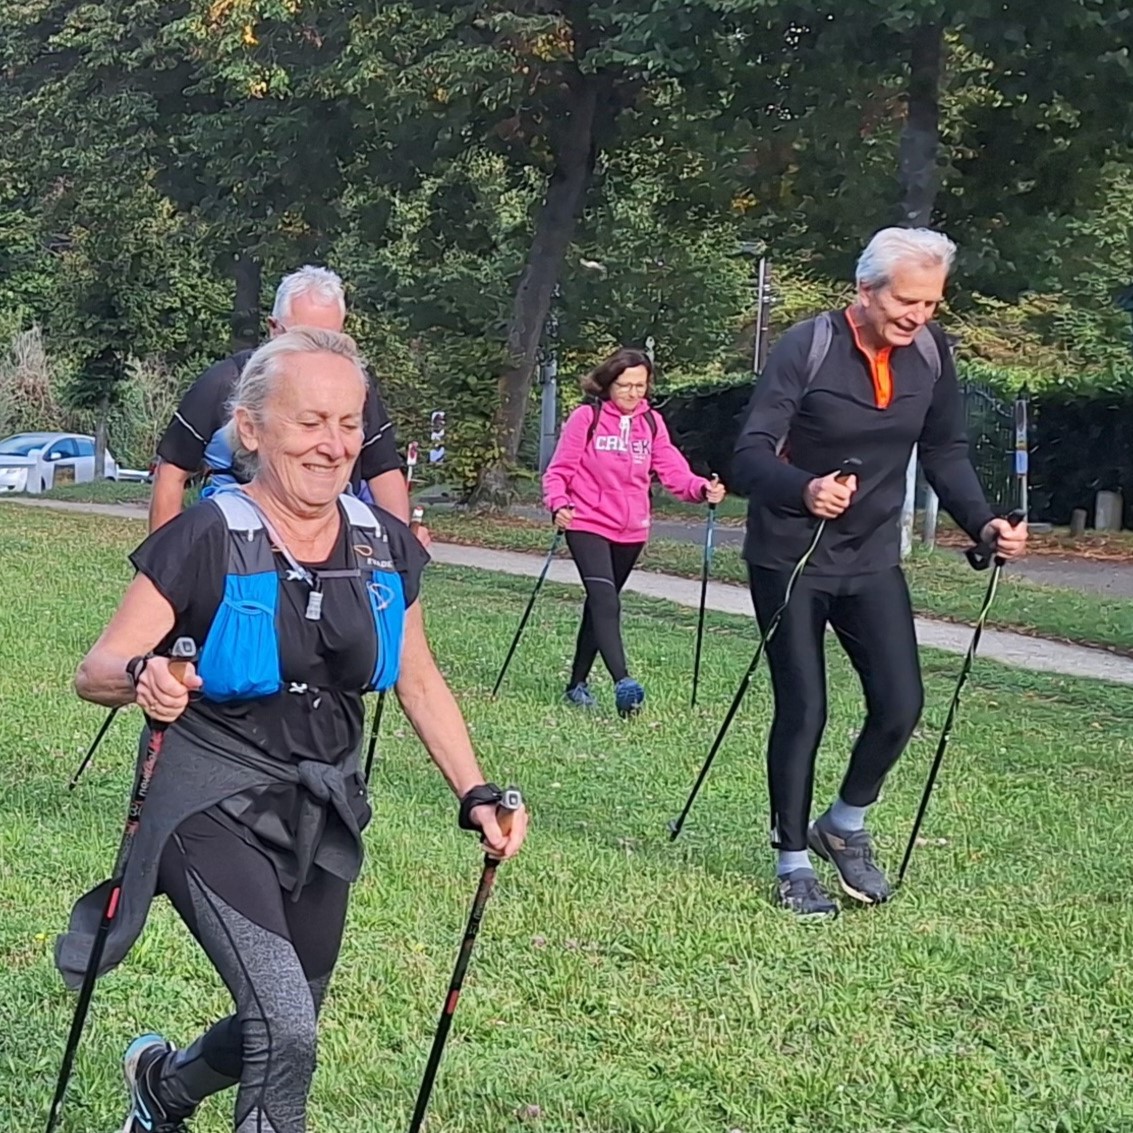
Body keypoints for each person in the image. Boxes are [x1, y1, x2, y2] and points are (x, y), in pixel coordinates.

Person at [57, 327, 527, 1132]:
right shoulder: (205, 534)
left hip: (320, 806)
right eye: (310, 421)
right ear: (253, 428)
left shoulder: (379, 543)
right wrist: (147, 677)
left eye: (348, 423)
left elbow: (416, 675)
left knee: (286, 1015)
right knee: (287, 1026)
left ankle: (163, 1090)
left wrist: (475, 791)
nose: (333, 443)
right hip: (205, 801)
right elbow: (97, 668)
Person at [731, 226, 1028, 920]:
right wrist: (803, 487)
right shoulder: (808, 347)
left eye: (930, 304)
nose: (918, 315)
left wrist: (982, 522)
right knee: (804, 706)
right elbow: (746, 454)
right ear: (864, 291)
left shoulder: (929, 353)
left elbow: (946, 450)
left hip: (869, 557)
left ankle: (842, 824)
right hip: (791, 554)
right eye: (906, 300)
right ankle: (791, 862)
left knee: (900, 704)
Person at [149, 265, 430, 547]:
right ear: (274, 328)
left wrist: (398, 556)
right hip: (235, 542)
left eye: (329, 341)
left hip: (330, 543)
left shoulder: (355, 387)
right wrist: (164, 564)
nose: (315, 353)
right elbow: (171, 474)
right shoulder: (223, 382)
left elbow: (384, 472)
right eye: (302, 338)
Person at [542, 347, 726, 717]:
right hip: (586, 521)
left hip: (631, 529)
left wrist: (701, 488)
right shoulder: (586, 418)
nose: (632, 393)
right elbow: (558, 470)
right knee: (606, 600)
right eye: (625, 385)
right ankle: (623, 683)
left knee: (599, 604)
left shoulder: (651, 424)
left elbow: (673, 470)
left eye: (640, 386)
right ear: (607, 384)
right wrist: (558, 503)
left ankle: (576, 684)